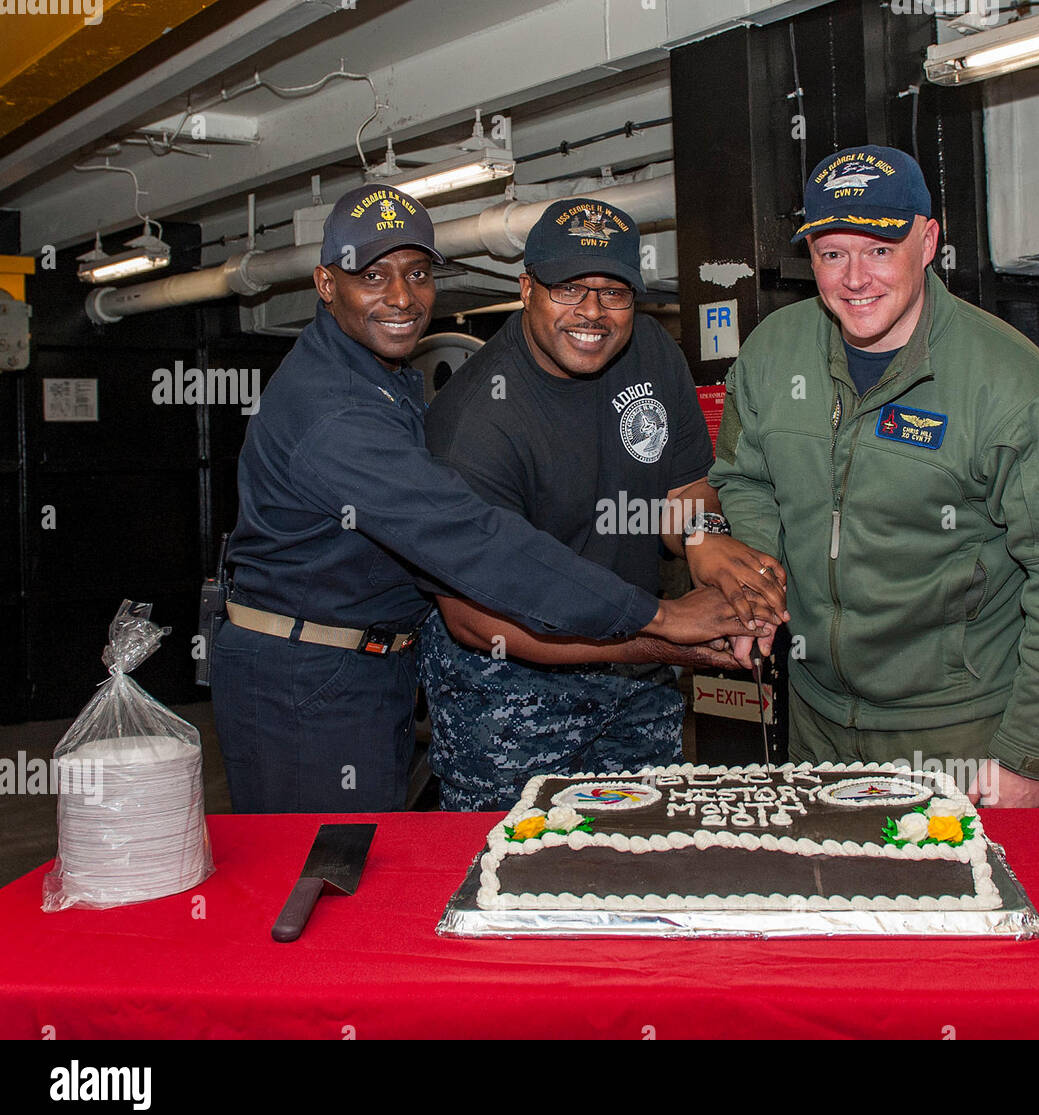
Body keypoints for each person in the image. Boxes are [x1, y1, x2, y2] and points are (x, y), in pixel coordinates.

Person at [210, 183, 779, 814]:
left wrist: (706, 538)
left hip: (369, 663)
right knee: (324, 870)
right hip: (317, 675)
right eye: (372, 275)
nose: (401, 298)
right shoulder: (352, 412)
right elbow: (477, 549)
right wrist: (667, 623)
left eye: (418, 273)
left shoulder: (373, 372)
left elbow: (683, 488)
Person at [710, 146, 1039, 808]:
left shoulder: (1020, 386)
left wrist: (1029, 756)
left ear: (927, 243)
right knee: (826, 903)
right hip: (814, 716)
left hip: (957, 732)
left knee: (940, 913)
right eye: (833, 253)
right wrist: (761, 584)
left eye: (879, 250)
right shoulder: (772, 352)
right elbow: (745, 479)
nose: (855, 277)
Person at [419, 198, 787, 811]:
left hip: (638, 676)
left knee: (645, 856)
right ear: (527, 288)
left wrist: (710, 544)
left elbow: (682, 487)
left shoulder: (650, 351)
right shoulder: (475, 422)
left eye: (614, 293)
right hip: (512, 688)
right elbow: (476, 623)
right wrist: (671, 636)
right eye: (569, 289)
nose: (593, 313)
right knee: (515, 875)